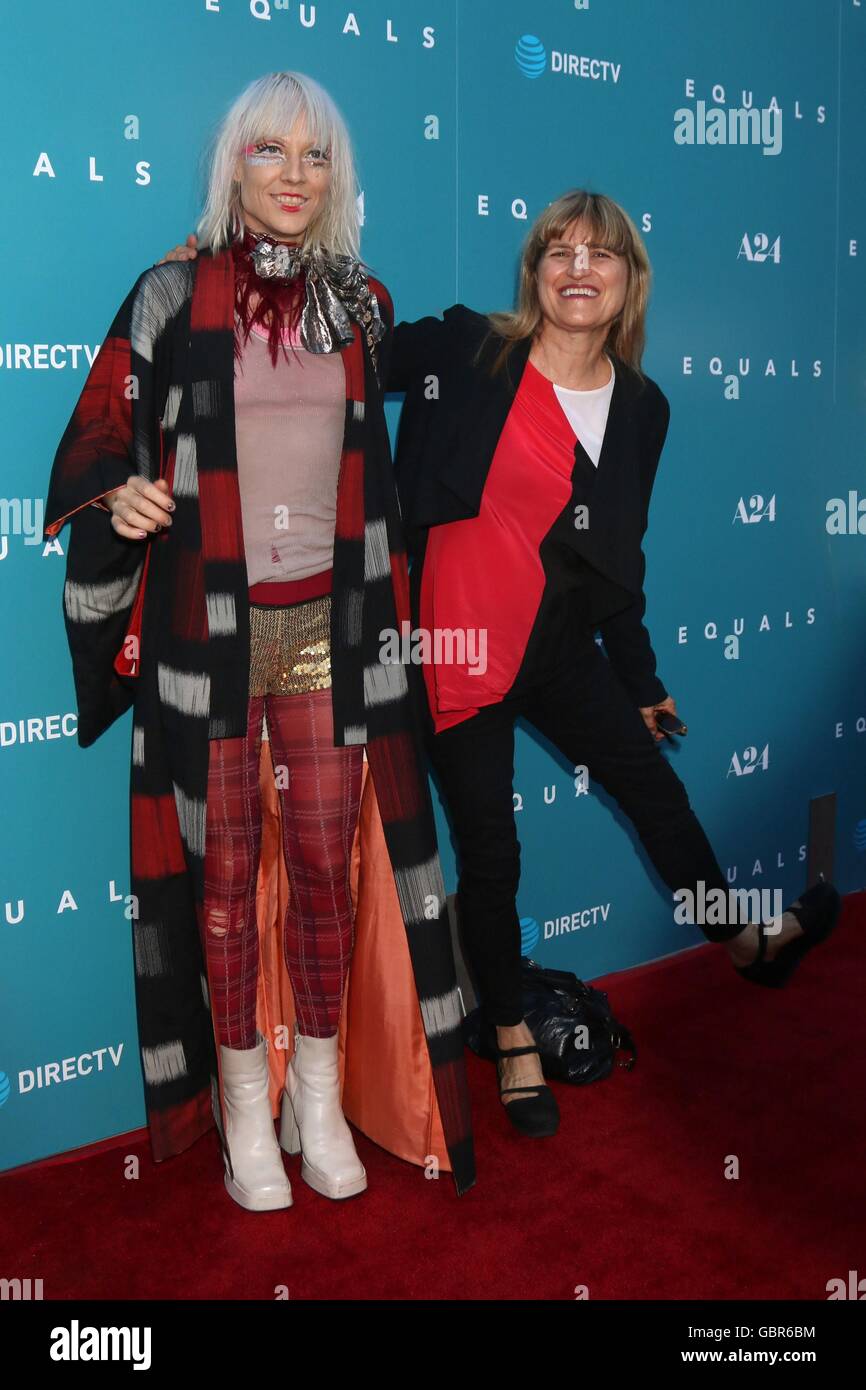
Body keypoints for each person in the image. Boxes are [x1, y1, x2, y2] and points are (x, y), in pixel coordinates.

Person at [160, 189, 841, 1143]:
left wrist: (639, 678)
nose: (577, 269)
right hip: (451, 648)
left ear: (628, 282)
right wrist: (228, 280)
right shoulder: (470, 350)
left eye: (600, 255)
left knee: (658, 798)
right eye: (557, 251)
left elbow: (619, 558)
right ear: (535, 273)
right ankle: (513, 1032)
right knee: (492, 851)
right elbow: (338, 347)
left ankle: (742, 939)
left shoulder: (643, 406)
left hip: (558, 648)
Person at [43, 70, 475, 1210]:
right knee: (224, 880)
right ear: (233, 165)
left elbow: (408, 447)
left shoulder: (360, 306)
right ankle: (244, 1108)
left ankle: (314, 1096)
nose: (293, 174)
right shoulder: (170, 295)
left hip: (331, 632)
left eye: (315, 155)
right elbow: (99, 428)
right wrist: (118, 496)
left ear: (336, 177)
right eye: (269, 151)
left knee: (328, 871)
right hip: (208, 638)